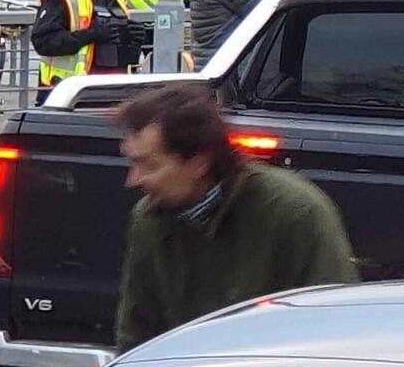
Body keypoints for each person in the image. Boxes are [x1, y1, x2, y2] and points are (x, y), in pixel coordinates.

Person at [112, 83, 358, 353]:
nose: (133, 180)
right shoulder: (149, 219)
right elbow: (135, 338)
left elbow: (334, 328)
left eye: (149, 165)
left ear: (199, 163)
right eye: (133, 163)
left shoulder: (294, 212)